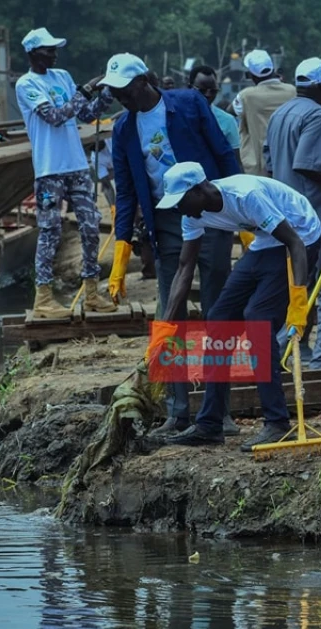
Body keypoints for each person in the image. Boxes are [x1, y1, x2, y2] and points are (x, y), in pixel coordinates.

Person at [102, 53, 241, 437]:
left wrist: (238, 214)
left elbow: (224, 154)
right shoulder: (123, 129)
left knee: (219, 308)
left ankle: (219, 412)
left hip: (209, 212)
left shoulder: (188, 103)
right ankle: (178, 412)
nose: (121, 100)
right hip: (165, 221)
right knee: (170, 313)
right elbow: (127, 191)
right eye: (115, 94)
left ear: (144, 82)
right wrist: (122, 253)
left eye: (125, 92)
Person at [160, 162, 321, 451]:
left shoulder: (245, 195)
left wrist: (299, 301)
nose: (180, 210)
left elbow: (295, 243)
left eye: (182, 202)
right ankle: (210, 423)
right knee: (219, 318)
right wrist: (167, 328)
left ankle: (277, 423)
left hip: (301, 235)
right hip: (265, 242)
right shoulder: (192, 212)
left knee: (257, 320)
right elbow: (185, 269)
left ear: (199, 189)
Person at [15, 27, 116, 318]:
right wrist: (85, 90)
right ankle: (43, 298)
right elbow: (56, 117)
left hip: (77, 166)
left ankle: (92, 293)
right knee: (50, 230)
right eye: (48, 49)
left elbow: (85, 114)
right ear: (33, 53)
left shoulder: (63, 77)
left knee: (90, 225)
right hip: (49, 171)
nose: (55, 53)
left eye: (55, 48)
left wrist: (107, 92)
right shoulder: (26, 84)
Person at [264, 58, 321, 369]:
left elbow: (270, 164)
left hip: (287, 216)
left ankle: (292, 350)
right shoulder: (318, 115)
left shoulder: (281, 113)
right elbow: (307, 164)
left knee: (299, 285)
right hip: (318, 213)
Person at [235, 50, 295, 176]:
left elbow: (232, 110)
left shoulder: (246, 96)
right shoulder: (292, 91)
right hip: (290, 163)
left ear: (251, 75)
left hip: (260, 168)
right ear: (273, 70)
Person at [189, 64, 241, 154]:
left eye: (213, 91)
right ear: (190, 88)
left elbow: (235, 159)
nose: (208, 95)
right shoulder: (177, 117)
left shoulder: (228, 121)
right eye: (202, 90)